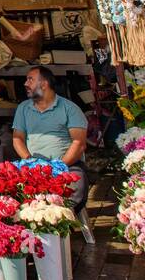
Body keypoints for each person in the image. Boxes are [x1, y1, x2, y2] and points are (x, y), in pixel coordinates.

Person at [12, 65, 89, 210]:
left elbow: (79, 144)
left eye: (30, 80)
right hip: (33, 166)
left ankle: (61, 221)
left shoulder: (69, 108)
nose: (25, 84)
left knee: (75, 185)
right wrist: (29, 161)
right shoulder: (23, 108)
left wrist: (58, 167)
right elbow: (18, 139)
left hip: (67, 165)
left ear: (44, 84)